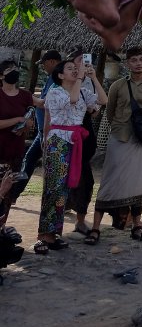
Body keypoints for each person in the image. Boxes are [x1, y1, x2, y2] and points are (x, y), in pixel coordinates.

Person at [84, 47, 142, 243]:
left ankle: (136, 225)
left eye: (141, 59)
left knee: (137, 183)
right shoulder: (118, 86)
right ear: (127, 64)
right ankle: (95, 227)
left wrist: (141, 129)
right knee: (109, 181)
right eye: (134, 60)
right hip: (119, 137)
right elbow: (109, 113)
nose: (138, 63)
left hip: (140, 140)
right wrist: (121, 126)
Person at [34, 58, 92, 254]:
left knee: (64, 190)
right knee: (53, 188)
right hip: (58, 142)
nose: (75, 71)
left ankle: (53, 234)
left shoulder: (82, 91)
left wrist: (91, 77)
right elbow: (71, 101)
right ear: (60, 75)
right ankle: (43, 235)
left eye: (76, 68)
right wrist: (44, 139)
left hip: (73, 141)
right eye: (70, 69)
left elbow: (102, 101)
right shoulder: (55, 92)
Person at [0, 61, 42, 244]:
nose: (14, 73)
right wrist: (17, 119)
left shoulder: (25, 95)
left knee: (8, 193)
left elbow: (40, 105)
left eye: (16, 69)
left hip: (15, 151)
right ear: (1, 76)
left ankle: (1, 228)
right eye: (9, 71)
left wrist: (27, 123)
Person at [67, 51, 108, 235]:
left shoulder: (86, 86)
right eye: (77, 63)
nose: (81, 66)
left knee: (85, 179)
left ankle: (80, 219)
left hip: (84, 135)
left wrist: (93, 77)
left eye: (84, 62)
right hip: (66, 136)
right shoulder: (60, 87)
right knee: (65, 179)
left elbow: (101, 103)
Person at [13, 48, 60, 197]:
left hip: (48, 129)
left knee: (36, 161)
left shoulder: (55, 77)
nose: (43, 67)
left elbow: (44, 103)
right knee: (32, 160)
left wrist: (26, 96)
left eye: (44, 63)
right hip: (45, 129)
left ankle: (14, 193)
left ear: (52, 62)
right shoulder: (53, 76)